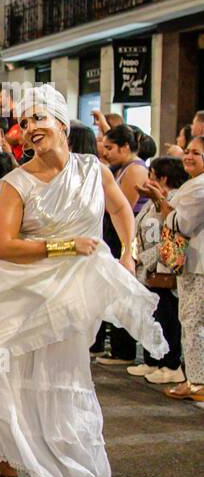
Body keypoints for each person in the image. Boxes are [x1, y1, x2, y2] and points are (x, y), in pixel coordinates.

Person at [0, 84, 165, 477]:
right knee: (9, 382)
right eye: (26, 121)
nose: (31, 127)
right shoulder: (15, 183)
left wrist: (128, 252)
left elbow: (120, 211)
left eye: (40, 118)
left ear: (61, 123)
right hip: (17, 297)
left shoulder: (93, 169)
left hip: (69, 301)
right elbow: (1, 247)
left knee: (64, 383)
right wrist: (65, 246)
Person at [130, 157, 190, 385]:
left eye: (152, 174)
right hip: (149, 265)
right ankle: (153, 360)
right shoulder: (152, 199)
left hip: (164, 266)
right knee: (154, 313)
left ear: (162, 177)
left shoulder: (173, 199)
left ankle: (171, 363)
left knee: (168, 316)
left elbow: (169, 231)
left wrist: (146, 259)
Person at [95, 123, 150, 366]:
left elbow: (121, 207)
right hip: (114, 237)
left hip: (123, 240)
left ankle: (123, 349)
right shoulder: (123, 168)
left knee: (122, 292)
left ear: (125, 147)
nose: (104, 152)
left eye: (109, 147)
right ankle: (118, 347)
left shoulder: (135, 170)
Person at [155, 136, 204, 401]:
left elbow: (180, 222)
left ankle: (197, 382)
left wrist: (165, 206)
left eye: (195, 153)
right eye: (187, 151)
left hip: (198, 265)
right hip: (196, 263)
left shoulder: (198, 187)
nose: (188, 156)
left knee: (192, 321)